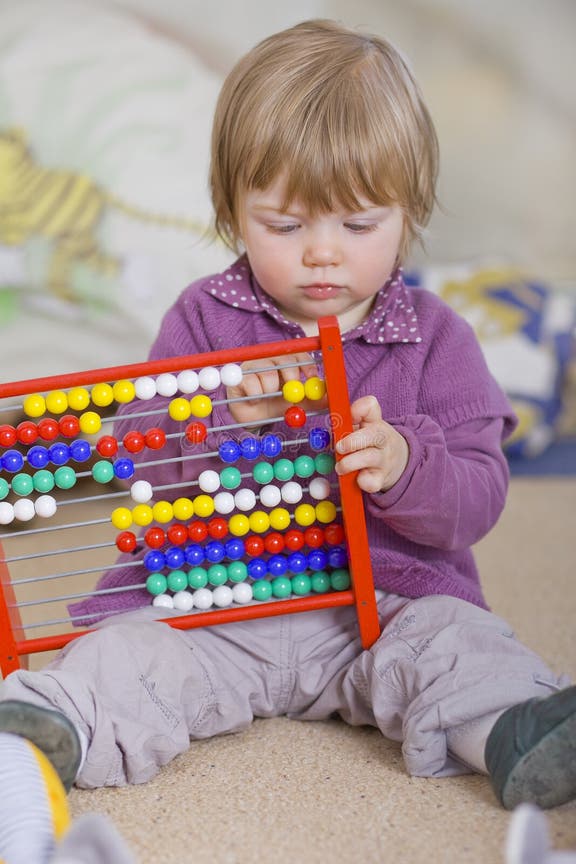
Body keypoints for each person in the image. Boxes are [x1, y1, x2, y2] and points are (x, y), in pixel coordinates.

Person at [0, 18, 574, 864]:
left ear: (411, 215)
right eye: (283, 224)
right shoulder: (202, 319)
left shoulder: (439, 340)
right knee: (127, 656)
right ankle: (59, 724)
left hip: (382, 609)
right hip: (215, 611)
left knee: (459, 647)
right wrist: (220, 419)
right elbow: (139, 462)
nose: (320, 254)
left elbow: (478, 498)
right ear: (232, 210)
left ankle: (517, 732)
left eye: (357, 224)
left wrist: (409, 467)